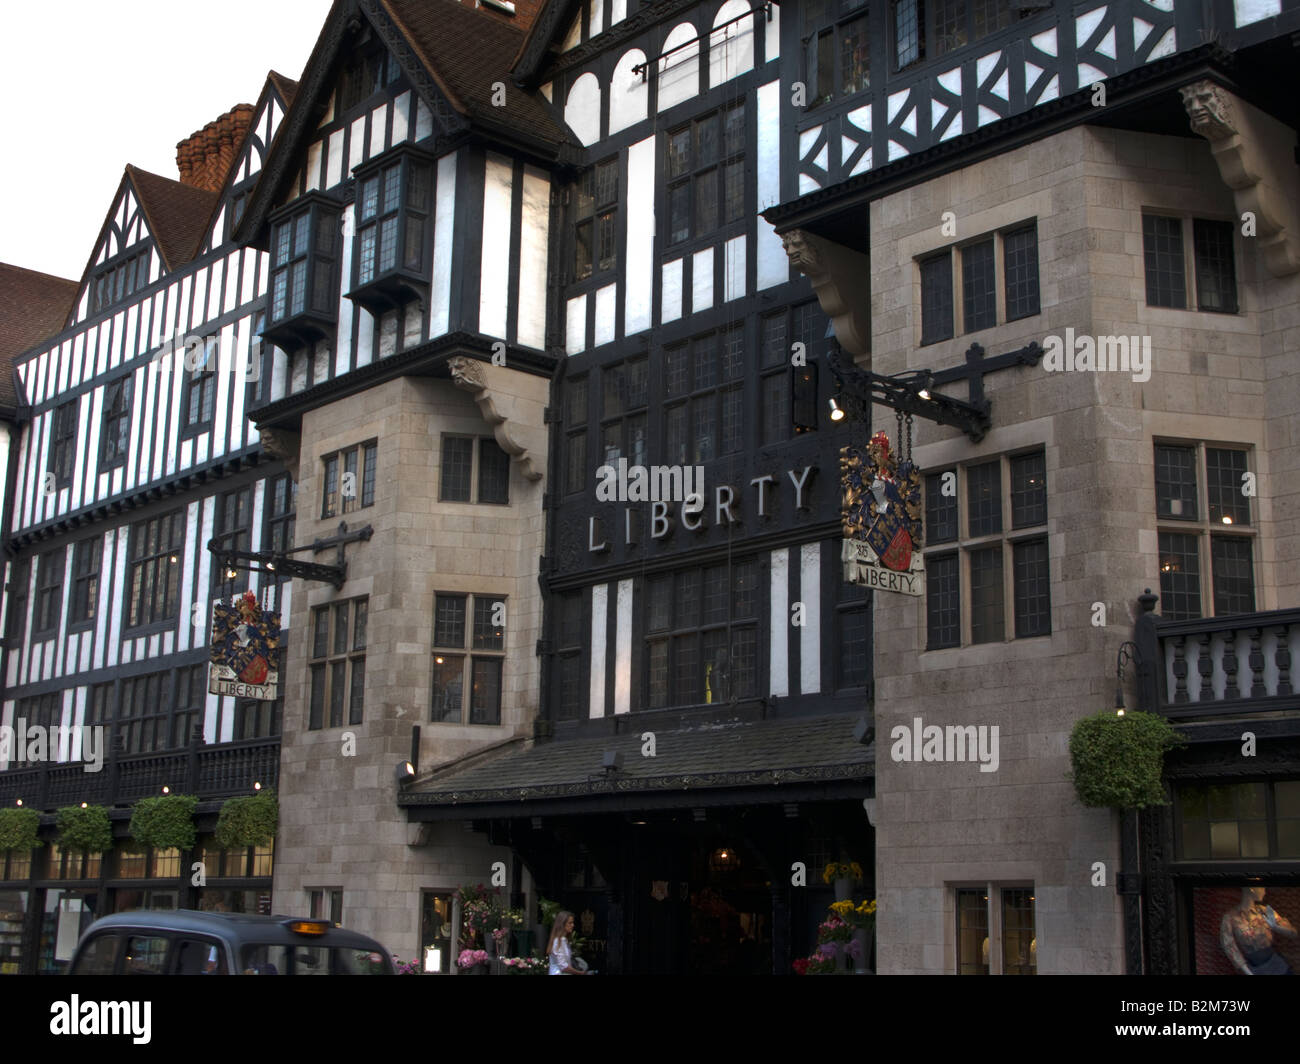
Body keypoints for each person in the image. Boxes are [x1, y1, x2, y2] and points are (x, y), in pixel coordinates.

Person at [546, 911, 588, 975]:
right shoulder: (558, 942)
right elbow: (563, 967)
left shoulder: (564, 941)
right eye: (570, 923)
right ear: (562, 924)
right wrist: (580, 973)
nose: (572, 925)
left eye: (573, 922)